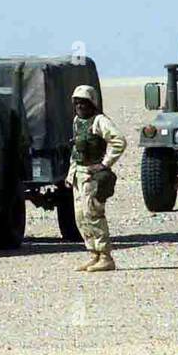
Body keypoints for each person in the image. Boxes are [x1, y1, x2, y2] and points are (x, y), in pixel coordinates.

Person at [65, 85, 127, 272]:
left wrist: (105, 164)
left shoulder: (99, 121)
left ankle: (105, 256)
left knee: (93, 214)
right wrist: (71, 174)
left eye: (84, 103)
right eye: (77, 103)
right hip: (79, 174)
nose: (80, 107)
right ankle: (93, 254)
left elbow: (119, 141)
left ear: (92, 103)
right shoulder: (77, 121)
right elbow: (77, 150)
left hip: (92, 174)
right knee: (80, 216)